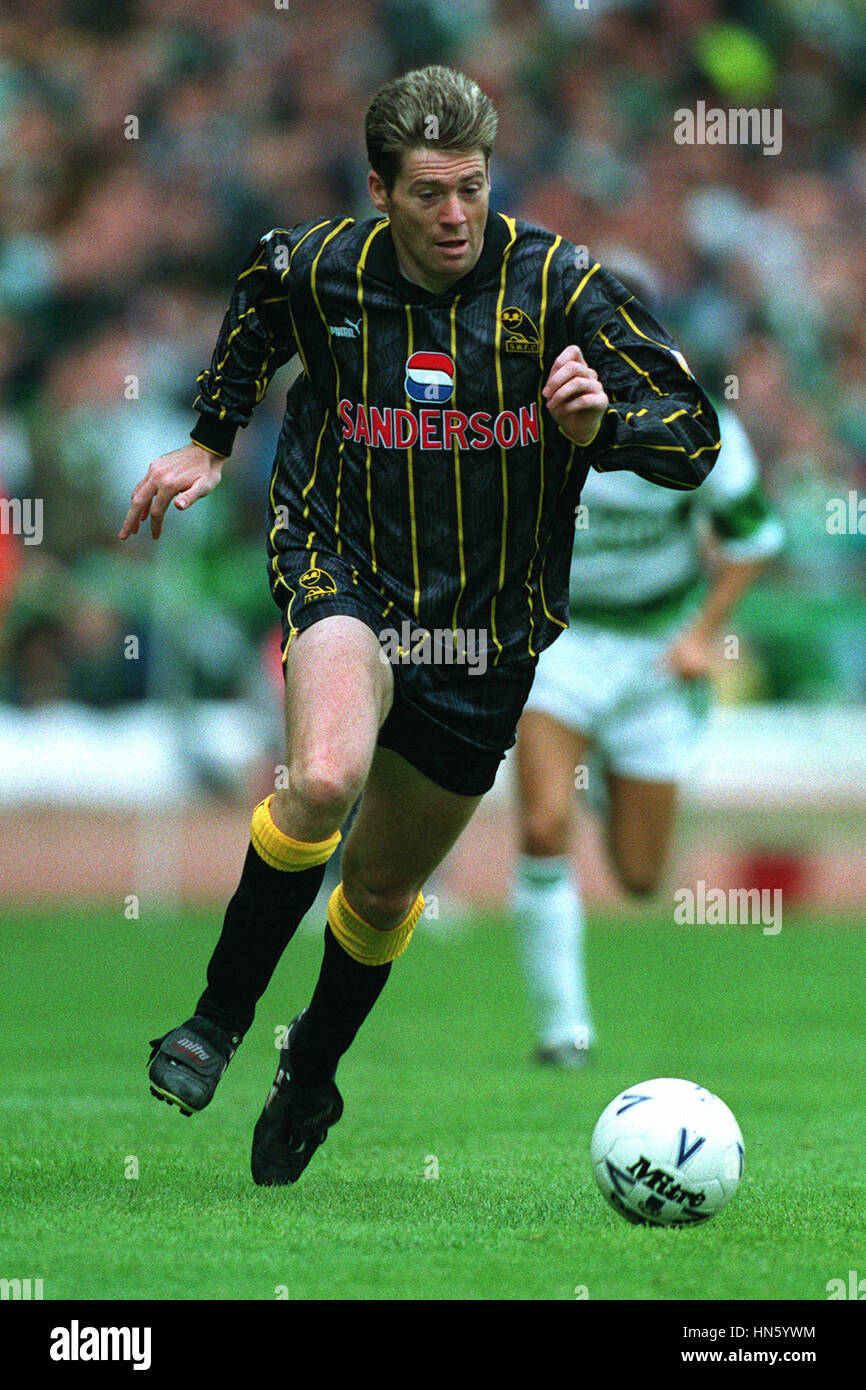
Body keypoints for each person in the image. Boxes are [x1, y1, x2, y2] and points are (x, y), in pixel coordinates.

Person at [119, 67, 720, 1186]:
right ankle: (212, 1021)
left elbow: (690, 435)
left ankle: (312, 1075)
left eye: (472, 188)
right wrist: (210, 437)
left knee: (384, 890)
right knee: (324, 778)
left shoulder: (559, 283)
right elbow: (256, 301)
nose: (455, 216)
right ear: (379, 189)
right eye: (430, 192)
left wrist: (602, 423)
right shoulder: (320, 265)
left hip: (489, 628)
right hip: (341, 564)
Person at [510, 257, 784, 1068]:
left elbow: (755, 538)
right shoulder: (520, 420)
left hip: (655, 652)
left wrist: (702, 634)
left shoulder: (695, 429)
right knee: (542, 822)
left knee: (638, 877)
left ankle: (606, 776)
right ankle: (563, 1031)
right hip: (561, 644)